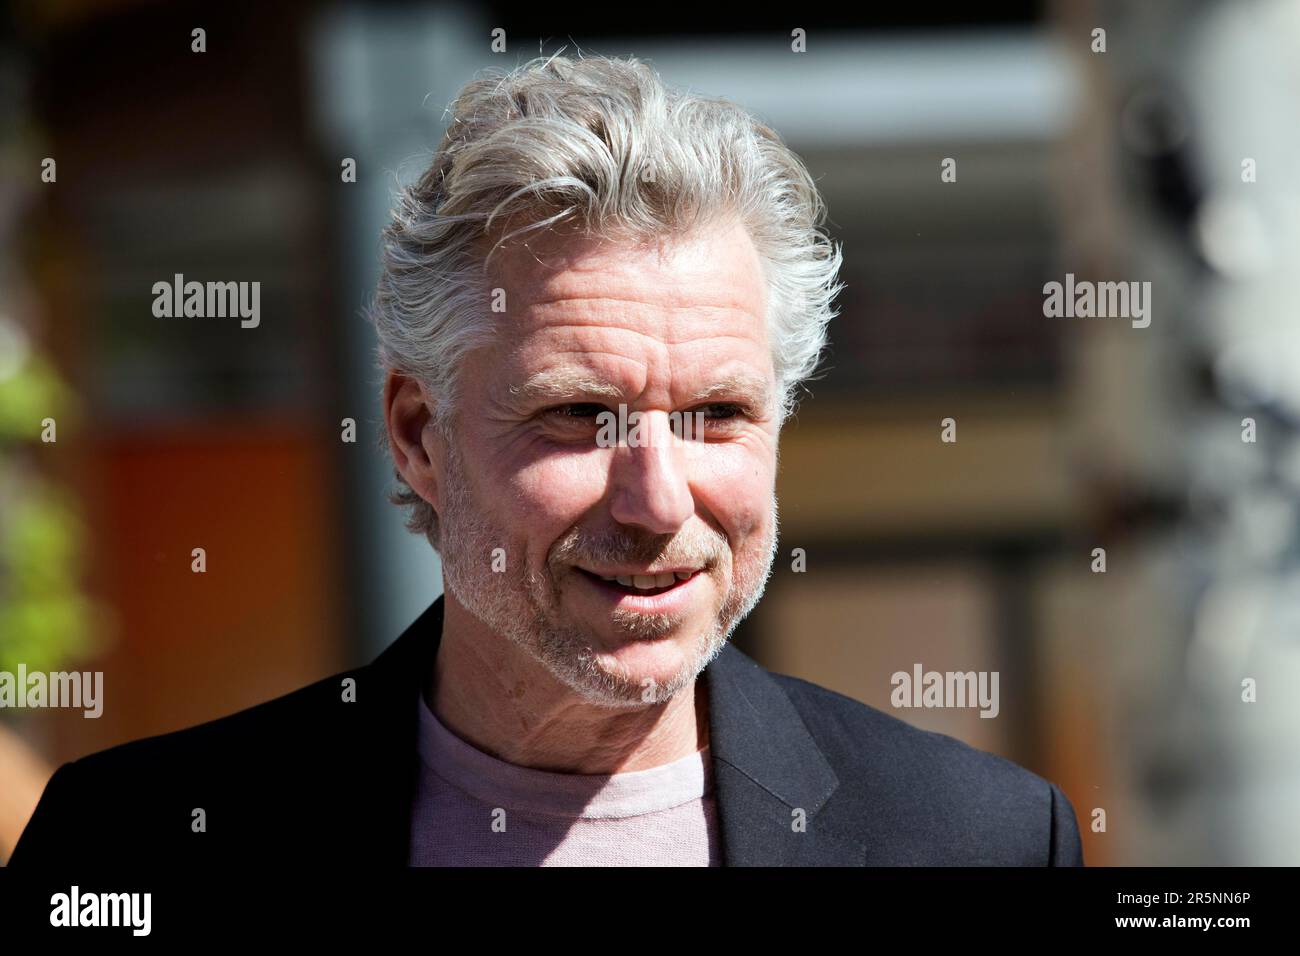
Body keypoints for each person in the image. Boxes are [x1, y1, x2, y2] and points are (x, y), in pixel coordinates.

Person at [10, 53, 1083, 867]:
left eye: (715, 412)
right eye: (578, 414)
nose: (658, 498)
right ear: (418, 435)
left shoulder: (975, 838)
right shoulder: (135, 840)